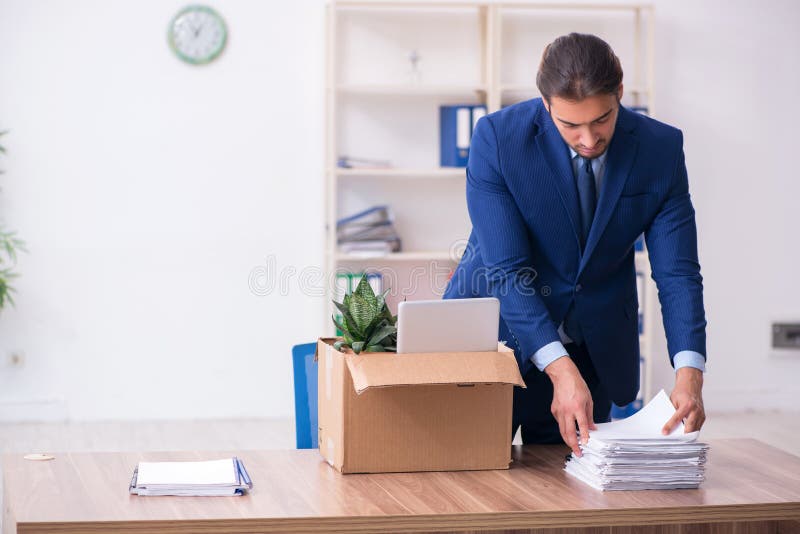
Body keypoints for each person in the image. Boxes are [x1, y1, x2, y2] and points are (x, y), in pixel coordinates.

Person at [443, 33, 707, 456]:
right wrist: (559, 371)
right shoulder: (497, 139)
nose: (588, 139)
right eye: (570, 125)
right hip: (495, 342)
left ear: (619, 94)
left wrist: (689, 373)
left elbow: (678, 273)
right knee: (469, 484)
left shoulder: (661, 149)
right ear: (546, 103)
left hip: (593, 348)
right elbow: (508, 271)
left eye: (602, 119)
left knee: (569, 496)